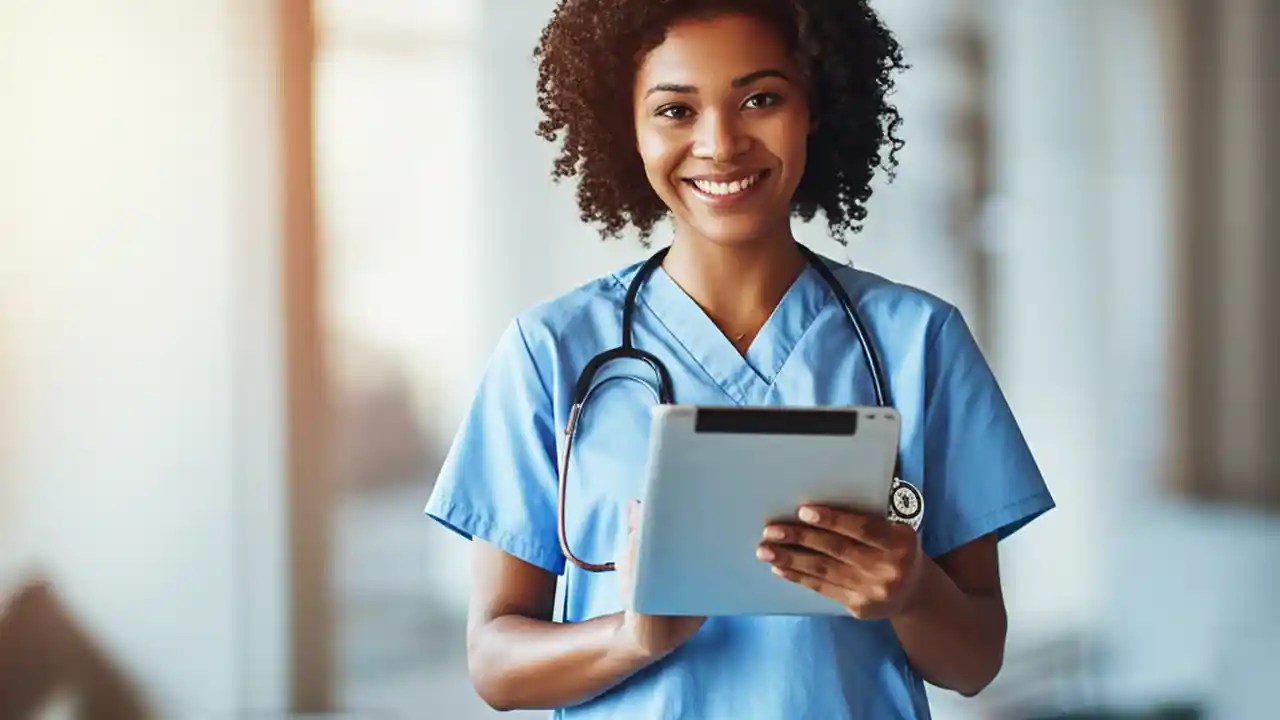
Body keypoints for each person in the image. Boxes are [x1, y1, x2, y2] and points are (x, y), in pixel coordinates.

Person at [424, 1, 1054, 717]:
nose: (720, 144)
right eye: (675, 110)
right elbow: (496, 667)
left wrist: (913, 592)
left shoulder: (920, 341)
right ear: (625, 126)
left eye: (761, 99)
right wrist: (630, 639)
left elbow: (975, 661)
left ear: (815, 106)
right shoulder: (549, 353)